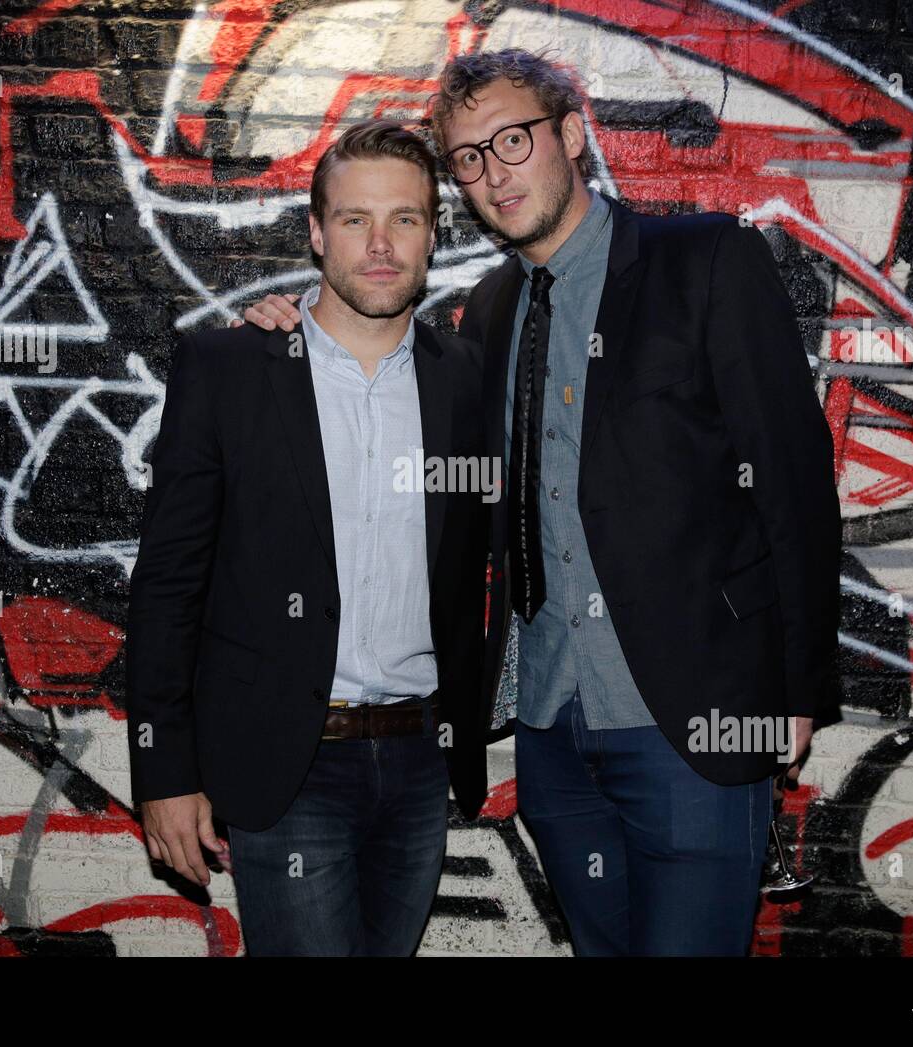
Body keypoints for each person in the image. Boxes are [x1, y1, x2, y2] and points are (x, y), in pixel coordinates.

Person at [241, 48, 842, 956]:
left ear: (571, 135)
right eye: (469, 159)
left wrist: (797, 689)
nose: (492, 172)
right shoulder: (486, 310)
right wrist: (287, 331)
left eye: (511, 140)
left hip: (695, 721)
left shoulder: (705, 259)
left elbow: (795, 481)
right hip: (553, 737)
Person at [126, 119, 491, 956]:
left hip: (418, 762)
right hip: (288, 765)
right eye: (355, 219)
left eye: (404, 218)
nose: (380, 243)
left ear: (432, 236)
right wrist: (165, 770)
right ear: (318, 232)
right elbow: (168, 586)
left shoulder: (466, 379)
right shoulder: (231, 370)